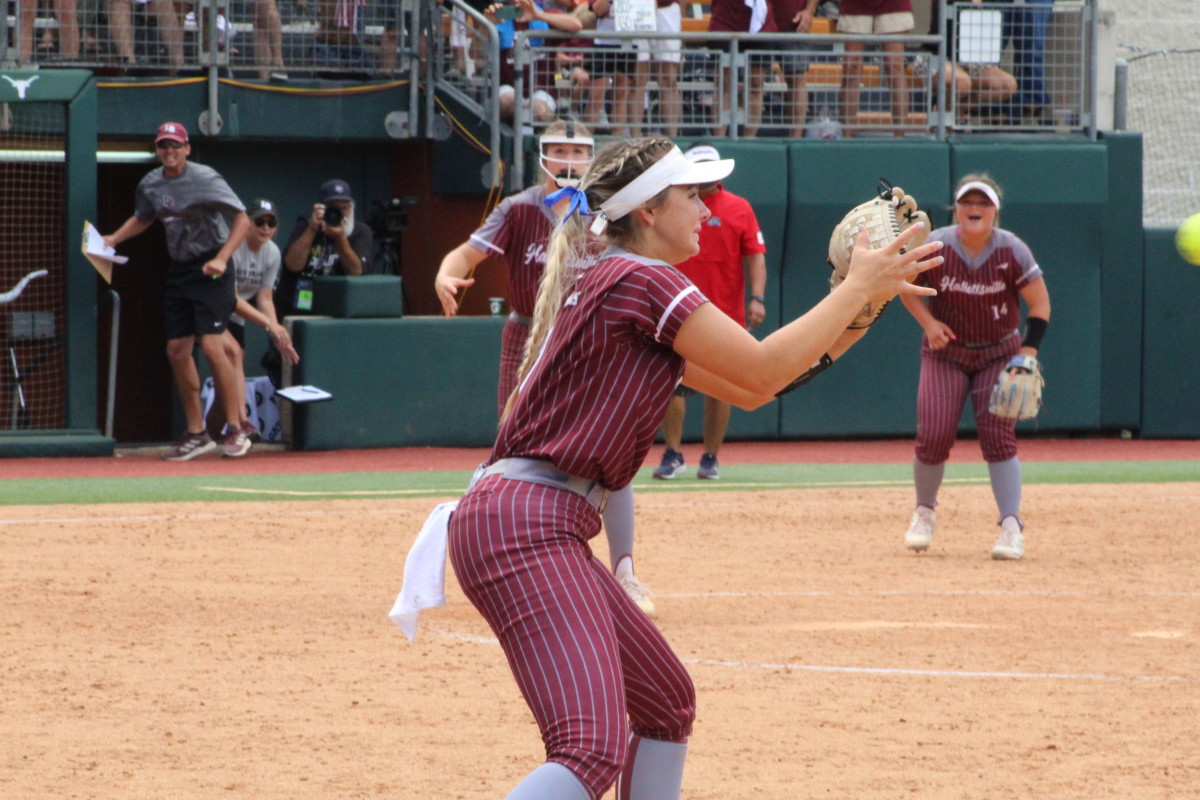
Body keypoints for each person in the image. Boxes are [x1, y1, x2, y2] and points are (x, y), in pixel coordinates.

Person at [442, 137, 941, 799]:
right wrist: (854, 286)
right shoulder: (640, 278)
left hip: (527, 520)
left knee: (666, 702)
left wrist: (859, 303)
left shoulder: (618, 279)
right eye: (691, 196)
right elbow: (763, 368)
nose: (706, 210)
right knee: (588, 751)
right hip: (524, 525)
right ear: (647, 211)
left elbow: (758, 388)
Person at [435, 121, 658, 617]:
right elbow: (465, 254)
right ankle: (497, 561)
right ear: (541, 157)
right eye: (558, 151)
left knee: (611, 450)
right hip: (528, 333)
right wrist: (445, 274)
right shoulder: (518, 208)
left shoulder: (607, 213)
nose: (569, 162)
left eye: (577, 152)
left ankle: (624, 571)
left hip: (594, 334)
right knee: (512, 449)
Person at [899, 174, 1051, 561]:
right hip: (945, 351)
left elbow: (1040, 306)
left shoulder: (1011, 250)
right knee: (933, 433)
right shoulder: (938, 245)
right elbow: (905, 284)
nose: (974, 210)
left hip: (998, 353)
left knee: (998, 439)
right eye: (967, 202)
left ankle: (1011, 526)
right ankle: (924, 512)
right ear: (957, 208)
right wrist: (929, 323)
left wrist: (1027, 354)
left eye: (983, 204)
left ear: (995, 212)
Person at [103, 121, 253, 460]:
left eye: (175, 145)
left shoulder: (205, 177)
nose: (169, 151)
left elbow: (242, 218)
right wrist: (113, 238)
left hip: (212, 266)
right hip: (181, 268)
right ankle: (198, 433)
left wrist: (221, 258)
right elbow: (144, 217)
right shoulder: (151, 183)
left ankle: (235, 427)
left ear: (186, 149)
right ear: (157, 150)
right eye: (163, 146)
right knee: (176, 350)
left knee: (213, 346)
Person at [652, 142, 767, 480]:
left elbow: (755, 254)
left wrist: (757, 298)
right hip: (676, 310)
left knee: (721, 387)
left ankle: (710, 457)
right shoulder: (671, 204)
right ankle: (672, 453)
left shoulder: (739, 208)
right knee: (670, 383)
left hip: (725, 312)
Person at [219, 198, 300, 442]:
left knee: (237, 357)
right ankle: (239, 423)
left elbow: (264, 298)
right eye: (259, 221)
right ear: (248, 223)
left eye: (271, 222)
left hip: (237, 315)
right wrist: (269, 325)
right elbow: (231, 299)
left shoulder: (272, 252)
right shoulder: (233, 246)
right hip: (212, 306)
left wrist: (275, 331)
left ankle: (237, 423)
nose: (265, 227)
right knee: (232, 353)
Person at [278, 178, 374, 319]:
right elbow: (292, 265)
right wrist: (312, 229)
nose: (339, 213)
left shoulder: (360, 232)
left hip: (337, 311)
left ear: (351, 207)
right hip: (297, 309)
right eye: (333, 208)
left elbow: (356, 272)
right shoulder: (305, 226)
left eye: (344, 208)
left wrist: (340, 238)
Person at [926, 0, 1016, 123]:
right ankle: (944, 117)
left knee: (1008, 85)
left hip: (970, 59)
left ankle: (960, 107)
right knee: (962, 82)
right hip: (938, 55)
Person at [838, 0, 913, 137]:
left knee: (894, 66)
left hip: (893, 4)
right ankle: (847, 136)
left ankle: (899, 138)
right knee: (851, 66)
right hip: (854, 5)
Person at [705, 0, 777, 138]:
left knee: (756, 85)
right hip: (725, 20)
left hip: (761, 24)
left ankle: (750, 140)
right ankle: (718, 140)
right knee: (723, 85)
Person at [631, 0, 684, 137]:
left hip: (667, 10)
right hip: (636, 9)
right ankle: (634, 137)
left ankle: (673, 138)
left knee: (669, 79)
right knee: (637, 79)